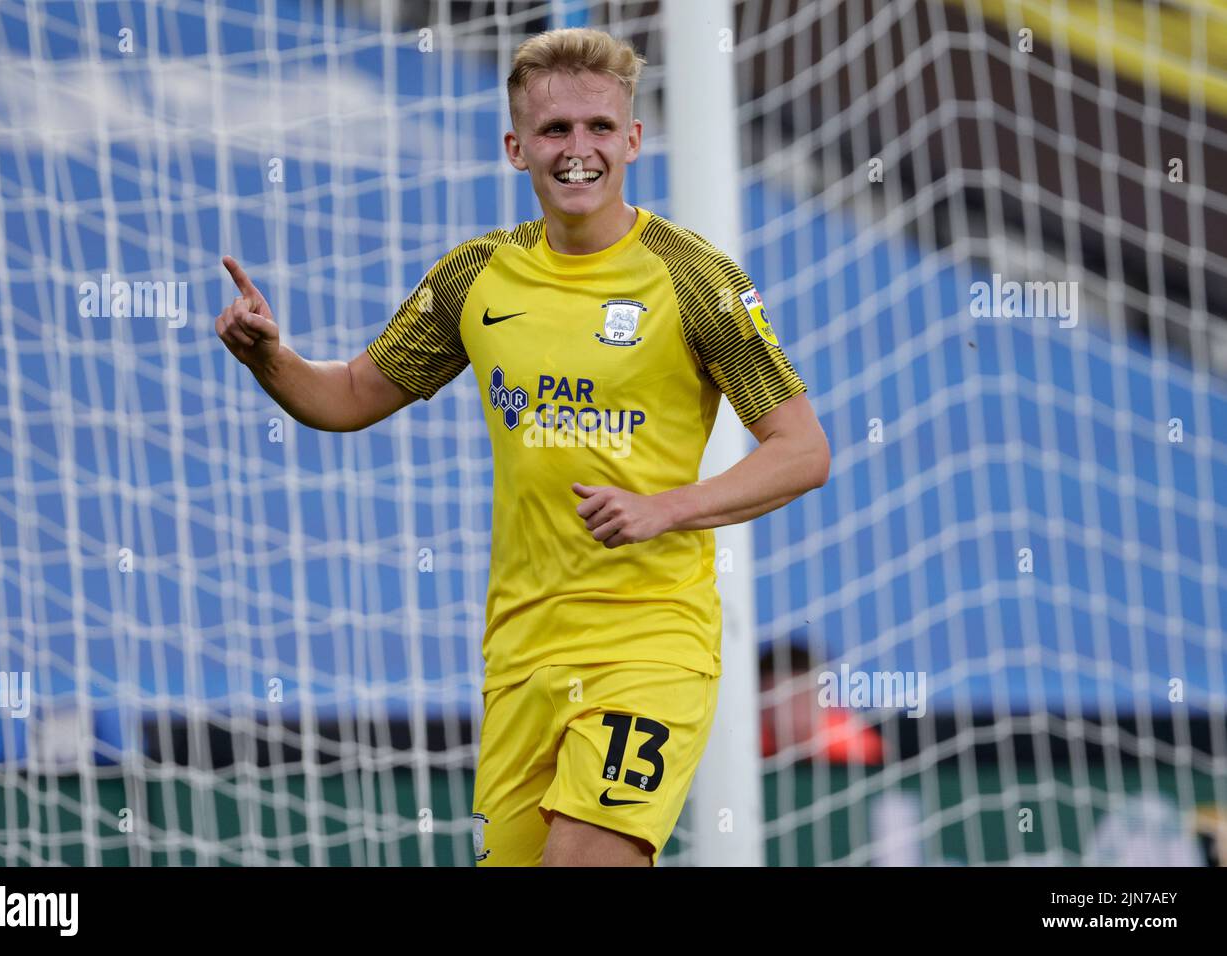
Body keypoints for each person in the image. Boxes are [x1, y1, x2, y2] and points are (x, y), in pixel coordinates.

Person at [215, 26, 830, 867]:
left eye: (599, 128)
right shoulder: (476, 277)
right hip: (522, 656)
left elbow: (802, 450)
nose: (579, 151)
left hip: (648, 642)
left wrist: (666, 510)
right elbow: (351, 396)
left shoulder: (694, 279)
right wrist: (272, 359)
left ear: (634, 140)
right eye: (555, 131)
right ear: (515, 148)